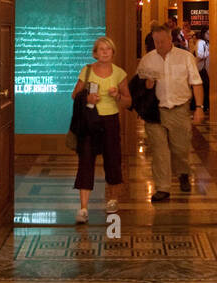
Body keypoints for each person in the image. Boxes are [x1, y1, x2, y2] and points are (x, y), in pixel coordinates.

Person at [136, 23, 203, 199]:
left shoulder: (185, 57)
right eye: (156, 41)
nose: (159, 45)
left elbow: (196, 83)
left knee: (180, 148)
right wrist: (146, 85)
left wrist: (199, 108)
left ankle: (183, 173)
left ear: (170, 39)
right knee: (159, 151)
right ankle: (162, 188)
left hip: (179, 109)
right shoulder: (147, 59)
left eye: (162, 41)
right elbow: (137, 86)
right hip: (155, 112)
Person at [70, 36, 132, 224]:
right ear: (95, 53)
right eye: (101, 49)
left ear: (113, 52)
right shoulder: (87, 71)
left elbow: (128, 102)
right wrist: (87, 99)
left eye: (108, 49)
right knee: (86, 160)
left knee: (113, 159)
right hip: (89, 121)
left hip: (110, 121)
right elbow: (75, 95)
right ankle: (83, 208)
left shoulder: (119, 73)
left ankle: (112, 200)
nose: (105, 52)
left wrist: (118, 95)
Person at [194, 28, 210, 116]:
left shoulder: (206, 43)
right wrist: (207, 54)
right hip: (201, 69)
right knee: (204, 87)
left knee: (206, 87)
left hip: (204, 69)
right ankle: (203, 107)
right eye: (207, 33)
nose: (209, 35)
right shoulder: (201, 42)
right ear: (203, 34)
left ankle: (205, 107)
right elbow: (199, 55)